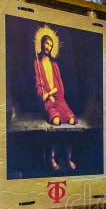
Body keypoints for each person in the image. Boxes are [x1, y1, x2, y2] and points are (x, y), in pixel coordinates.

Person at [34, 33, 76, 171]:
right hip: (47, 100)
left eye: (51, 45)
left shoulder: (55, 64)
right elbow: (38, 86)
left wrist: (53, 94)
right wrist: (46, 95)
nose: (48, 47)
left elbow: (60, 87)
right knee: (56, 121)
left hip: (58, 98)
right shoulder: (37, 64)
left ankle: (67, 157)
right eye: (47, 44)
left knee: (70, 121)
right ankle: (51, 156)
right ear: (42, 44)